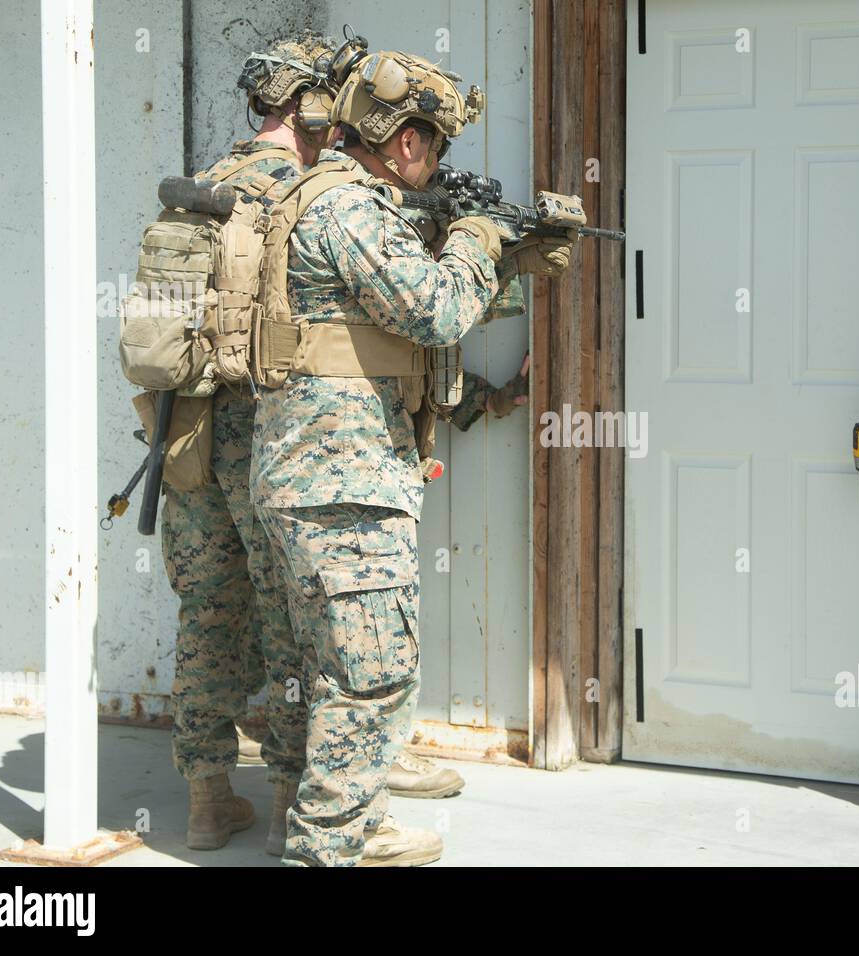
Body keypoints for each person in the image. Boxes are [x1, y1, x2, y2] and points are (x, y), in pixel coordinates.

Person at [250, 48, 575, 866]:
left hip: (318, 477)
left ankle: (349, 827)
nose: (436, 162)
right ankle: (322, 850)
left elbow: (388, 318)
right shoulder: (349, 210)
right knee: (370, 679)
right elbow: (432, 310)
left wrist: (503, 254)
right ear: (405, 142)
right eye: (435, 142)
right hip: (342, 482)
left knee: (330, 673)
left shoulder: (330, 199)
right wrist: (476, 240)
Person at [159, 31, 336, 852]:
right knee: (287, 620)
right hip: (272, 431)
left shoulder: (198, 189)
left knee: (206, 612)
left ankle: (205, 799)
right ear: (311, 103)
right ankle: (285, 809)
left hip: (188, 432)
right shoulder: (309, 194)